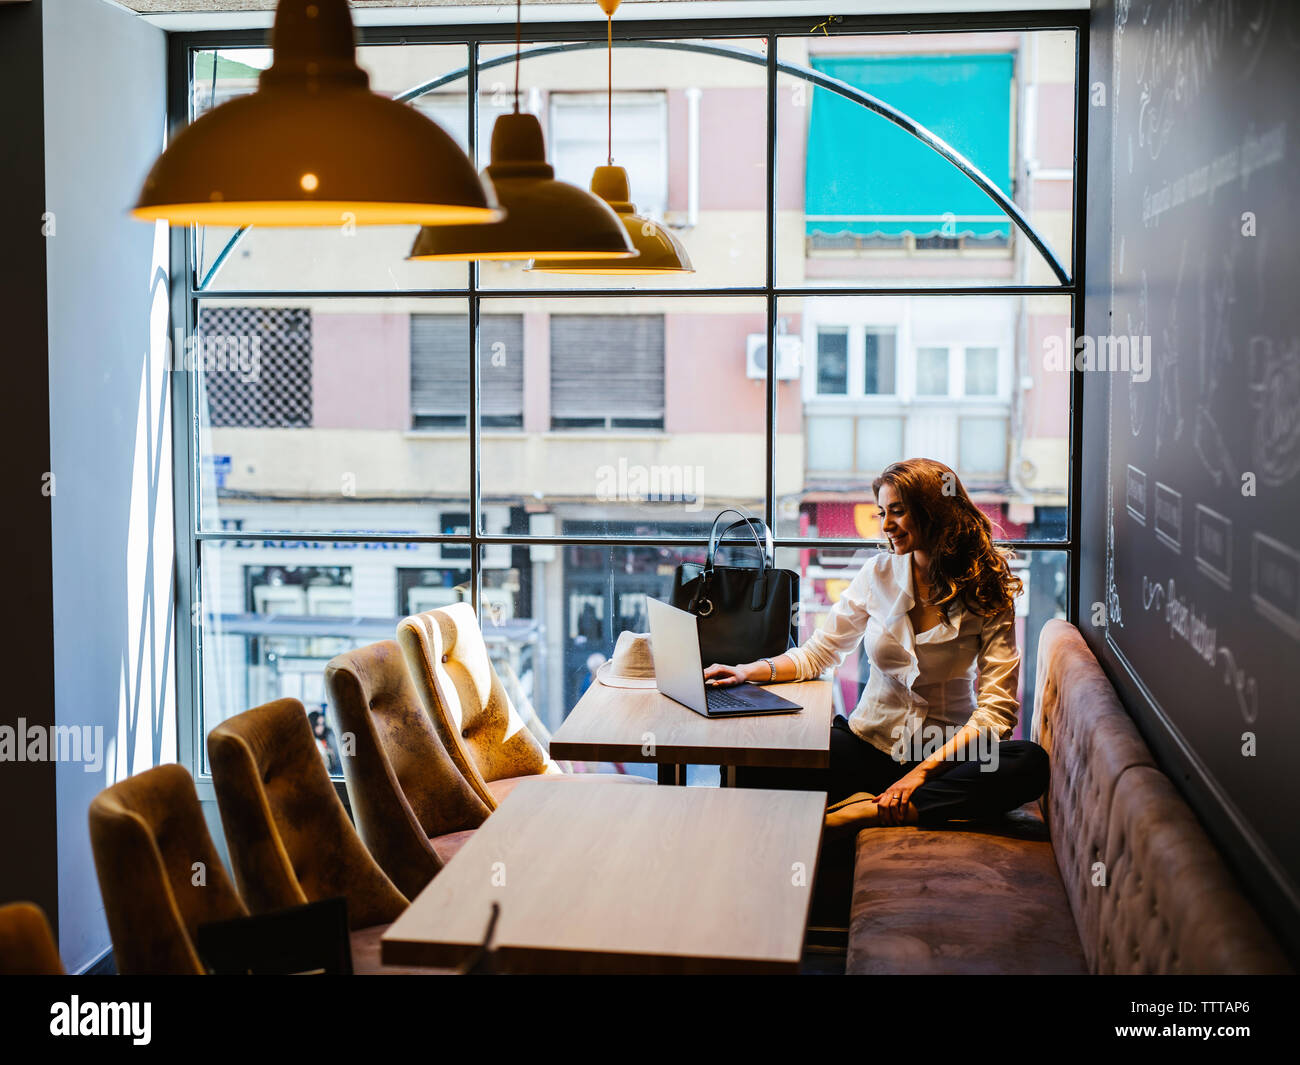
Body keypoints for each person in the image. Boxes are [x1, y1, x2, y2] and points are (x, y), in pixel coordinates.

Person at [705, 457, 1049, 837]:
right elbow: (819, 653)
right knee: (747, 761)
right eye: (883, 512)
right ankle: (903, 806)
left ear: (933, 509)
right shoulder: (878, 573)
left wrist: (919, 775)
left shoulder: (988, 589)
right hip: (868, 743)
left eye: (898, 512)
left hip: (946, 754)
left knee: (1028, 763)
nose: (886, 526)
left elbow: (996, 711)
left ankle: (870, 811)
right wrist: (746, 671)